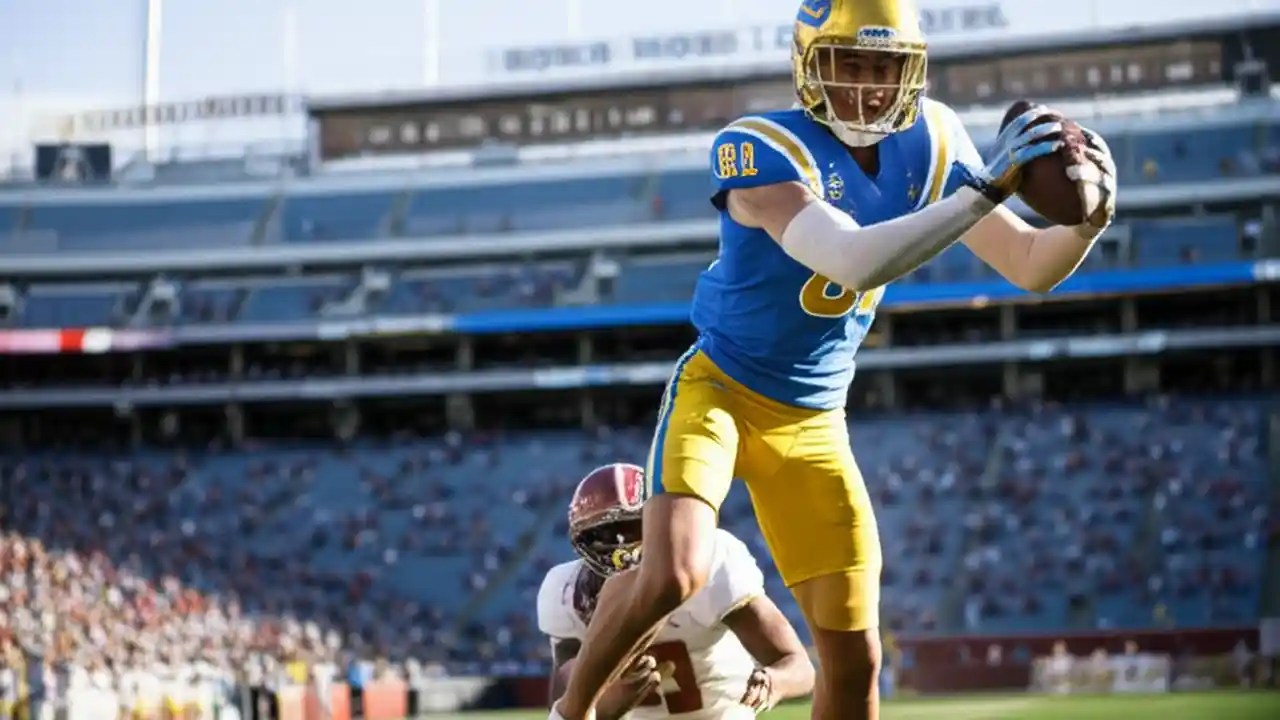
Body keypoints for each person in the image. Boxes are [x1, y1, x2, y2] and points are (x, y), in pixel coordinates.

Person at [550, 1, 1117, 719]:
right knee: (675, 571)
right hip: (720, 390)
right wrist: (987, 188)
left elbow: (1031, 265)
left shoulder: (935, 137)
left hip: (814, 420)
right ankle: (567, 714)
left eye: (885, 67)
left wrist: (1091, 224)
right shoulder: (756, 145)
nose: (869, 87)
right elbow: (850, 261)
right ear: (809, 64)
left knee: (855, 663)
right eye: (850, 63)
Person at [538, 464, 813, 719]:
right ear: (580, 542)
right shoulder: (568, 593)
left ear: (657, 522)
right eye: (605, 535)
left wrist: (773, 682)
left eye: (634, 528)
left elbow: (797, 666)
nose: (621, 547)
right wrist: (609, 703)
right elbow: (563, 708)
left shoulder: (707, 561)